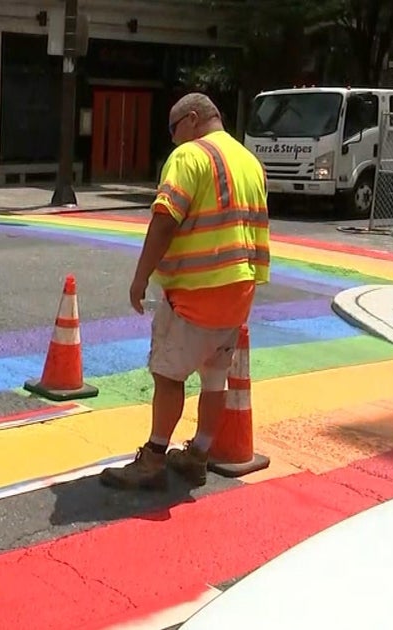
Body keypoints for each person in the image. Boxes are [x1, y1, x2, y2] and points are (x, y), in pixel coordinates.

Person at [99, 92, 270, 491]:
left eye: (173, 129)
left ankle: (154, 459)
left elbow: (165, 219)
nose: (173, 139)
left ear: (192, 119)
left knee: (168, 375)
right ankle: (198, 454)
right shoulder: (250, 163)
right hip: (238, 293)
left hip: (194, 292)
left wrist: (140, 277)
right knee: (215, 379)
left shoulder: (190, 156)